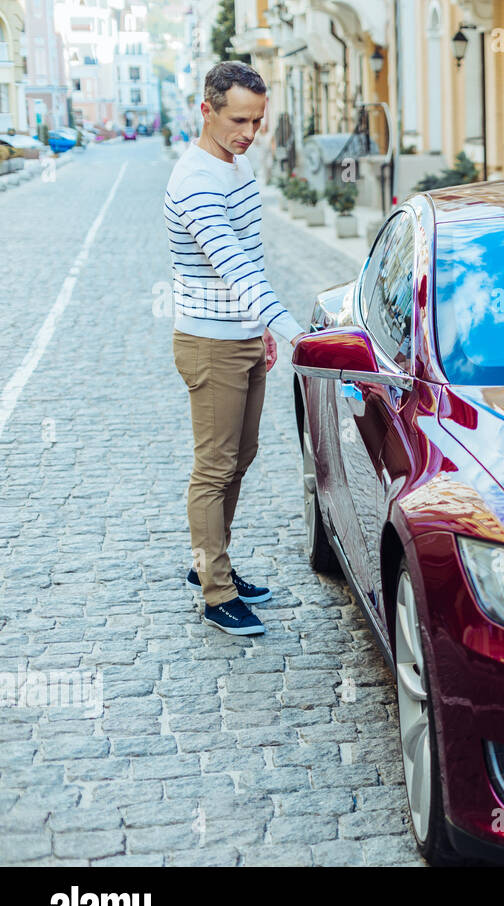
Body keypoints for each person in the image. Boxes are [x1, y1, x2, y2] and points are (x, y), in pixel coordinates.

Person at [165, 61, 307, 636]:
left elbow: (253, 252)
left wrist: (263, 331)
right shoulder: (196, 181)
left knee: (240, 459)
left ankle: (212, 563)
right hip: (209, 344)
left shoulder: (237, 164)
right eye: (238, 120)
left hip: (243, 337)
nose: (249, 132)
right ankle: (214, 588)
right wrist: (300, 335)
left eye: (257, 120)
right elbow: (235, 267)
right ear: (207, 110)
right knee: (214, 468)